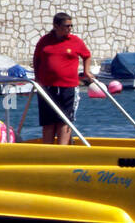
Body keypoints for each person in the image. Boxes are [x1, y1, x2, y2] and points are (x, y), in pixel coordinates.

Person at [33, 13, 93, 145]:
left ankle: (62, 150)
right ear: (56, 26)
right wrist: (37, 78)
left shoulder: (75, 41)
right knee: (48, 122)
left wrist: (86, 71)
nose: (70, 28)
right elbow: (36, 59)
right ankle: (47, 152)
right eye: (67, 26)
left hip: (68, 87)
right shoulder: (44, 41)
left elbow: (87, 56)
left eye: (71, 25)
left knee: (64, 121)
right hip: (47, 87)